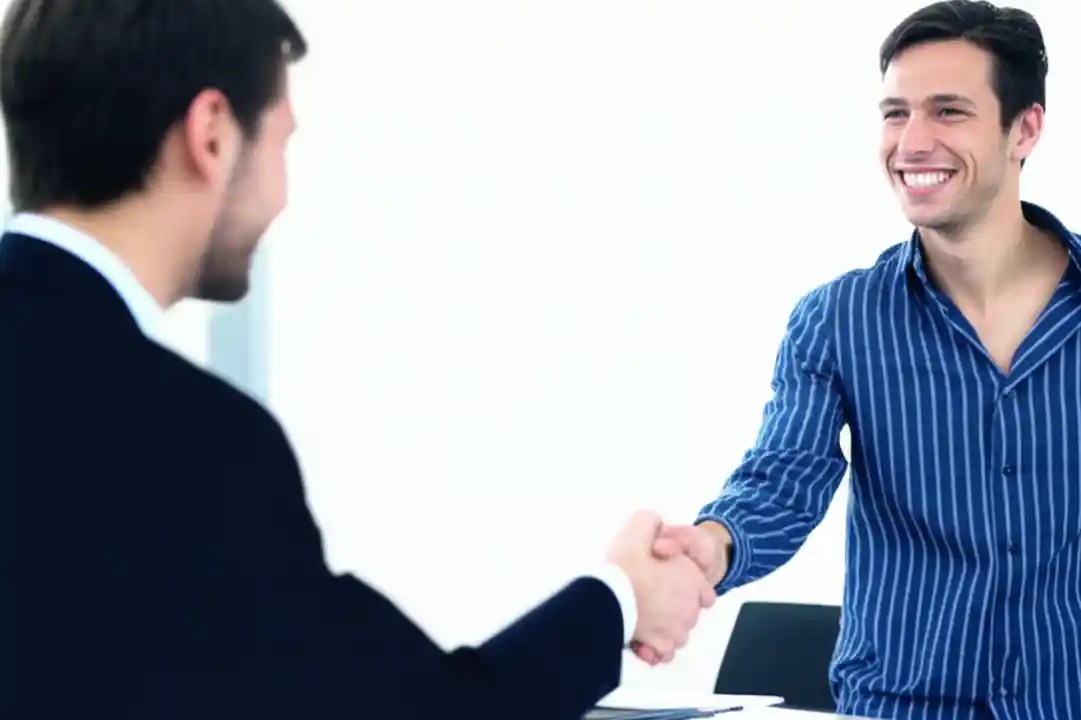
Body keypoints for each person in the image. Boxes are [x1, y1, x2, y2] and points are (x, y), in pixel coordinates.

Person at [0, 2, 713, 719]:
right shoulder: (186, 441)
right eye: (283, 143)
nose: (283, 194)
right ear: (211, 134)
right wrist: (621, 598)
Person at [648, 1, 1081, 718]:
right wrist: (709, 547)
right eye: (895, 113)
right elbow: (781, 482)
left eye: (948, 112)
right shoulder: (837, 319)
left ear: (1023, 128)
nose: (912, 142)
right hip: (903, 705)